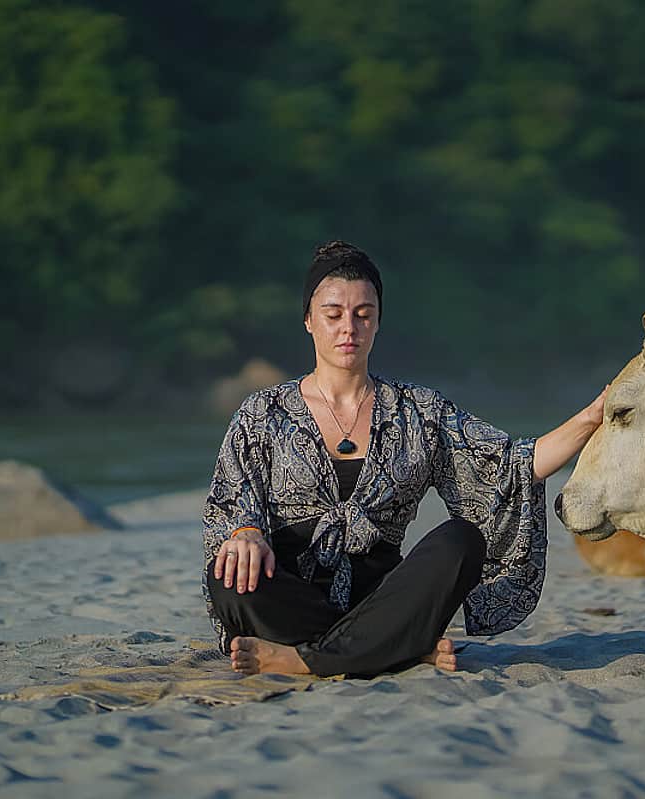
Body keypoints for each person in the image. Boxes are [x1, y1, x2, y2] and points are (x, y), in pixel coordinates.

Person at [202, 240, 605, 677]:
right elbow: (231, 500)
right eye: (333, 315)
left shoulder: (418, 410)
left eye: (363, 314)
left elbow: (511, 466)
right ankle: (397, 648)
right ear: (308, 321)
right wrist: (245, 533)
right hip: (292, 594)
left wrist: (593, 416)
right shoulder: (263, 412)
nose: (348, 329)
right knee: (227, 575)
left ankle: (306, 659)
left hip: (386, 596)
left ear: (378, 322)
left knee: (461, 540)